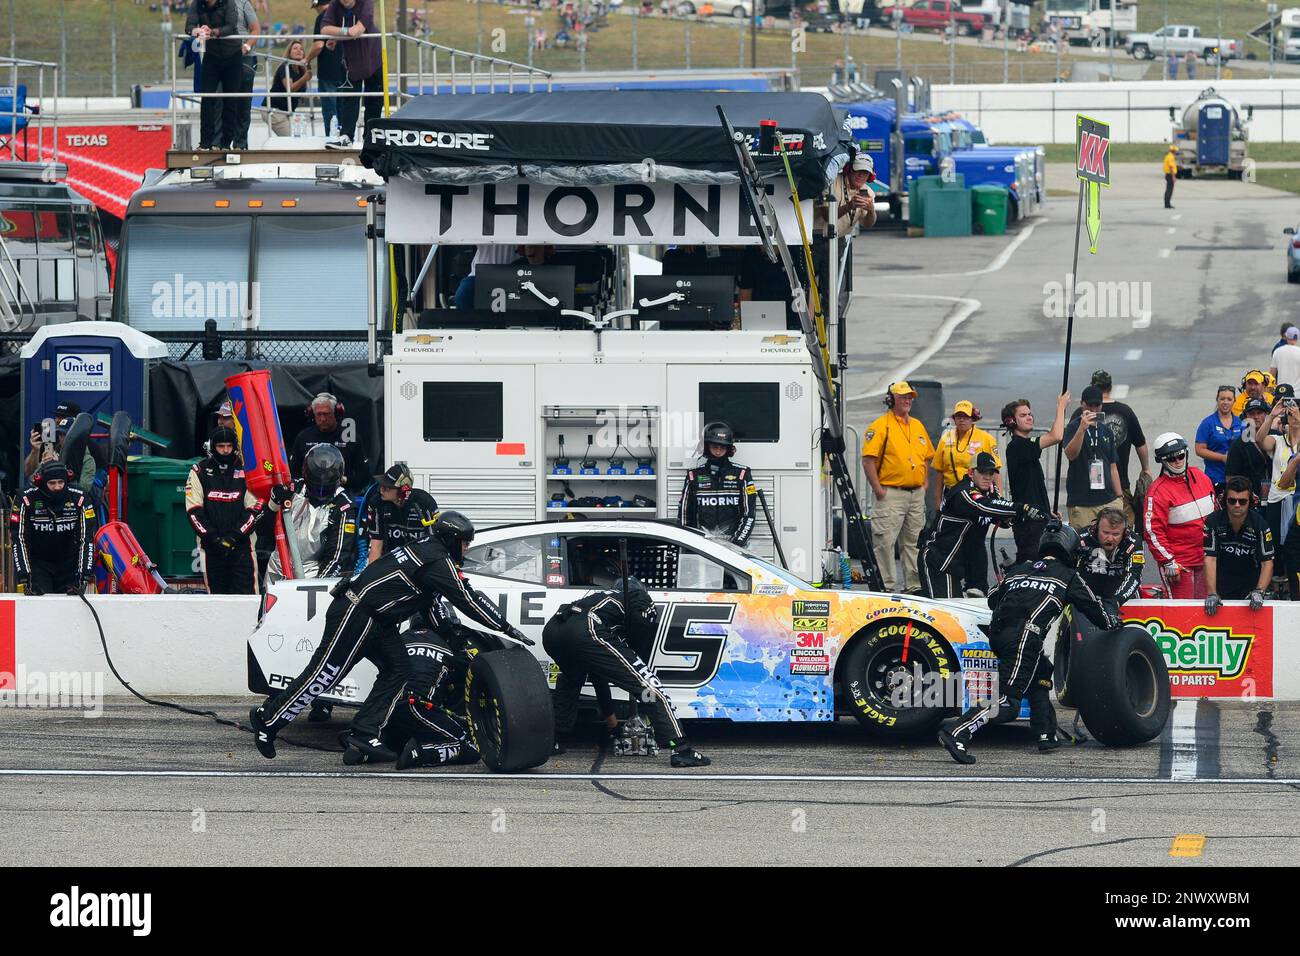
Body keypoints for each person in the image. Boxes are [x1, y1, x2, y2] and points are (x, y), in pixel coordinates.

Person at [249, 511, 529, 761]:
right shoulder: (437, 560)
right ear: (451, 539)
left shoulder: (427, 552)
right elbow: (468, 599)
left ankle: (364, 731)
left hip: (378, 621)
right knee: (324, 675)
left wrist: (455, 639)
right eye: (465, 543)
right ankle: (268, 719)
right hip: (356, 612)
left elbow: (429, 605)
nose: (466, 548)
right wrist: (506, 628)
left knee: (399, 668)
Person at [938, 522, 1118, 765]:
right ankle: (958, 732)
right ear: (1071, 550)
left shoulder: (1019, 569)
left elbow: (992, 599)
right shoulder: (1068, 576)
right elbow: (1097, 613)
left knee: (1040, 671)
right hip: (1024, 636)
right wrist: (1113, 621)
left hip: (999, 635)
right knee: (1007, 702)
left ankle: (1046, 733)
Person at [542, 553, 711, 768]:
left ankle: (552, 740)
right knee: (649, 685)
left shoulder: (599, 598)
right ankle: (681, 748)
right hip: (586, 628)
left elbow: (599, 677)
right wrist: (639, 675)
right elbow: (641, 645)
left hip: (554, 630)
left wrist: (613, 726)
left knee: (571, 680)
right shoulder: (638, 598)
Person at [918, 452, 1044, 599]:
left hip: (960, 563)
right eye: (983, 472)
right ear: (971, 472)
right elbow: (984, 506)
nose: (987, 477)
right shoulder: (962, 492)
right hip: (938, 559)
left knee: (966, 608)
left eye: (991, 473)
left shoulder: (989, 493)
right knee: (944, 611)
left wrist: (1038, 515)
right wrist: (1022, 508)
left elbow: (1002, 521)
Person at [862, 382, 934, 593]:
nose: (908, 400)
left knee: (914, 542)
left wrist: (924, 483)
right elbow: (868, 460)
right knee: (885, 541)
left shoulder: (918, 425)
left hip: (915, 494)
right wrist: (878, 489)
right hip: (891, 493)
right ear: (891, 399)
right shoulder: (880, 426)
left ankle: (913, 585)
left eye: (910, 397)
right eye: (903, 396)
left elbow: (927, 456)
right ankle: (886, 586)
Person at [930, 402, 1003, 593]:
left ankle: (977, 584)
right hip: (953, 497)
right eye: (958, 416)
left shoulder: (985, 438)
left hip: (978, 496)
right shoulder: (946, 438)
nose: (962, 420)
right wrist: (937, 501)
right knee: (953, 539)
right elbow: (938, 471)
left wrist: (999, 500)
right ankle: (955, 580)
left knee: (976, 540)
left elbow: (995, 472)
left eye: (965, 416)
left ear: (973, 418)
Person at [185, 426, 265, 595]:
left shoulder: (247, 470)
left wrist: (233, 538)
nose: (225, 450)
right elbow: (193, 511)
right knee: (216, 600)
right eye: (221, 446)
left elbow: (253, 510)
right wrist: (214, 538)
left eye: (229, 446)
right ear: (213, 447)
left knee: (248, 599)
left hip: (242, 547)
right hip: (211, 547)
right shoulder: (198, 471)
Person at [265, 444, 357, 581]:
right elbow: (262, 530)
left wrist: (320, 584)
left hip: (313, 573)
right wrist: (273, 503)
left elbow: (338, 554)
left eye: (325, 489)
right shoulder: (290, 489)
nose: (319, 494)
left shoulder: (343, 505)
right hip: (278, 565)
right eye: (315, 488)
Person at [1070, 370, 1150, 526]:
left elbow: (1069, 447)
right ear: (1110, 387)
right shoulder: (1125, 411)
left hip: (1086, 490)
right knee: (1120, 532)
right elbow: (1140, 444)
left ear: (1093, 386)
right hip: (1119, 482)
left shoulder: (1078, 414)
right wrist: (1145, 468)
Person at [1144, 432, 1216, 599]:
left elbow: (1216, 512)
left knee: (1206, 610)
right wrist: (1168, 561)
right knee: (1181, 613)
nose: (1177, 461)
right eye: (1171, 459)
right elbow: (1152, 532)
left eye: (1180, 455)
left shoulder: (1200, 476)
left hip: (1206, 559)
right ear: (1161, 461)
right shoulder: (1157, 492)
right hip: (1179, 565)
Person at [1001, 392, 1069, 563]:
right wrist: (1060, 407)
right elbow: (1057, 436)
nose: (1029, 417)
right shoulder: (1017, 446)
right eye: (1023, 415)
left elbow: (1031, 486)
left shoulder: (1026, 445)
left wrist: (1046, 510)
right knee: (1029, 565)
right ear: (1011, 421)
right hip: (1029, 524)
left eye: (1030, 414)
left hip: (1039, 519)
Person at [11, 460, 95, 596]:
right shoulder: (26, 498)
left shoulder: (80, 498)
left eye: (60, 482)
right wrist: (24, 575)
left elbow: (86, 538)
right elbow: (19, 538)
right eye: (52, 483)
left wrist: (84, 573)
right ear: (41, 483)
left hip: (69, 565)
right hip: (38, 564)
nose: (57, 487)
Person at [677, 421, 756, 546]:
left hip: (735, 545)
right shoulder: (694, 476)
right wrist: (690, 543)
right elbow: (685, 515)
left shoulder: (742, 473)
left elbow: (749, 514)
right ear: (706, 447)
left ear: (729, 448)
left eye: (722, 447)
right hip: (703, 545)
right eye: (714, 447)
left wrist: (737, 543)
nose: (718, 451)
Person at [1203, 476, 1272, 615]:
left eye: (1242, 501)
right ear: (1225, 500)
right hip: (1222, 582)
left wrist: (1259, 591)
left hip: (1250, 585)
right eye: (1232, 500)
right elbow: (1210, 558)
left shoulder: (1260, 524)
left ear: (1250, 502)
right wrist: (1212, 593)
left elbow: (1267, 562)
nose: (1237, 505)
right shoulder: (1212, 521)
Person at [1062, 385, 1123, 530]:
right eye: (1090, 405)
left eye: (1097, 405)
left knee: (1112, 539)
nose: (1094, 409)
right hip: (1082, 501)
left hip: (1108, 499)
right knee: (1085, 546)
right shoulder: (1073, 427)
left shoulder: (1106, 430)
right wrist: (1082, 429)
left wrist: (1120, 496)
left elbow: (1113, 466)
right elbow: (1071, 454)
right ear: (1082, 404)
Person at [321, 0, 382, 145]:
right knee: (350, 99)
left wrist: (337, 34)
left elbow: (357, 30)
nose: (345, 1)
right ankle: (347, 136)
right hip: (352, 60)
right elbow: (324, 29)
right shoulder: (335, 5)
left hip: (374, 56)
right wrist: (344, 32)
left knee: (374, 100)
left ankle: (371, 138)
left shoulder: (366, 2)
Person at [187, 0, 243, 150]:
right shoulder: (197, 3)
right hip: (211, 56)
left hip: (233, 55)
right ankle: (205, 143)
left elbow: (231, 27)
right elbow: (189, 25)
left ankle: (226, 143)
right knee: (207, 99)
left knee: (230, 100)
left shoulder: (229, 3)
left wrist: (211, 32)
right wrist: (197, 31)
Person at [288, 392, 369, 489]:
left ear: (336, 413)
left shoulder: (351, 439)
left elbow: (364, 476)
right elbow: (292, 472)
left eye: (327, 414)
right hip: (309, 494)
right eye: (319, 414)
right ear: (312, 414)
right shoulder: (303, 437)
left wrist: (344, 480)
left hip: (342, 493)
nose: (322, 419)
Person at [363, 462, 439, 562]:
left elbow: (434, 544)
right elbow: (376, 546)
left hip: (420, 561)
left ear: (403, 490)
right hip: (391, 562)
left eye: (387, 488)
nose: (381, 490)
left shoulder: (424, 502)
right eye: (381, 485)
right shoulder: (377, 503)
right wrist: (370, 576)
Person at [1075, 507, 1143, 615]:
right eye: (1105, 533)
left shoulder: (1133, 542)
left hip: (1121, 596)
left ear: (1124, 533)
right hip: (1087, 596)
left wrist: (1116, 601)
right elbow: (1067, 573)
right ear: (1097, 528)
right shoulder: (1080, 538)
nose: (1110, 538)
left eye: (1116, 534)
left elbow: (1134, 576)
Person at [24, 402, 97, 488]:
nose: (62, 438)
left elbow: (83, 490)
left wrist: (58, 466)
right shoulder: (50, 448)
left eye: (65, 434)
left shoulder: (87, 457)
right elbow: (31, 481)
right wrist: (43, 464)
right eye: (60, 434)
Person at [305, 0, 343, 137]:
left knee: (330, 112)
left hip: (328, 71)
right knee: (345, 110)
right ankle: (345, 138)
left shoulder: (323, 17)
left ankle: (332, 139)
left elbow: (319, 45)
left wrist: (306, 60)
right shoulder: (343, 15)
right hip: (347, 71)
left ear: (318, 5)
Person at [1194, 385, 1243, 489]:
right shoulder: (1207, 423)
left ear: (1234, 401)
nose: (1225, 402)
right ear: (1217, 400)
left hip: (1238, 478)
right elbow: (1199, 450)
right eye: (1222, 399)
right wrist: (1222, 458)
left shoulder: (1240, 422)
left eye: (1229, 399)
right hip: (1215, 477)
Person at [229, 0, 262, 149]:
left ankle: (240, 144)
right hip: (222, 56)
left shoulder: (243, 3)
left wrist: (246, 46)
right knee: (221, 101)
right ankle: (220, 143)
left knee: (243, 102)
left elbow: (256, 29)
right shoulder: (214, 4)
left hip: (245, 57)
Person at [1225, 397, 1272, 500]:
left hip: (1277, 496)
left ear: (1266, 415)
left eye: (1259, 413)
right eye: (1251, 414)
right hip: (1250, 500)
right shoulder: (1238, 445)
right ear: (1245, 417)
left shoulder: (1277, 437)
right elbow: (1230, 478)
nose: (1255, 417)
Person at [267, 39, 312, 135]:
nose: (299, 50)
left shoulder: (300, 71)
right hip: (275, 110)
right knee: (290, 138)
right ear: (289, 53)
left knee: (295, 137)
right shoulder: (285, 67)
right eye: (295, 48)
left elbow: (299, 92)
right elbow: (290, 89)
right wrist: (305, 78)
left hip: (287, 111)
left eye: (301, 49)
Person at [835, 152, 878, 236]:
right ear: (849, 170)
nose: (861, 175)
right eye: (858, 170)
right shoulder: (832, 183)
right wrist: (849, 206)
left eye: (865, 172)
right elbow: (827, 216)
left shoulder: (868, 192)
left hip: (842, 237)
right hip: (818, 238)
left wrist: (871, 211)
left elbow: (867, 224)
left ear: (870, 176)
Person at [1272, 326, 1300, 393]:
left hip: (1281, 392)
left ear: (1286, 337)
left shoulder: (1277, 351)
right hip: (1298, 393)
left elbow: (1272, 374)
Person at [1162, 144, 1177, 209]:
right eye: (1175, 151)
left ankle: (1166, 203)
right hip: (1170, 175)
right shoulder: (1171, 157)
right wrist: (1173, 176)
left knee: (1168, 189)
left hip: (1168, 175)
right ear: (1173, 151)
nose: (1176, 152)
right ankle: (1167, 204)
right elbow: (1171, 167)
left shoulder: (1167, 156)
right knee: (1169, 190)